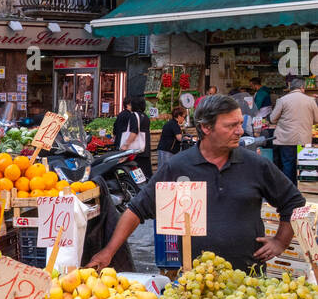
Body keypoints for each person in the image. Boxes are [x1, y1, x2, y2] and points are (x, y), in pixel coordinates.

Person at [89, 93, 303, 273]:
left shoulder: (256, 165)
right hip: (195, 279)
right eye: (231, 125)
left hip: (247, 275)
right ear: (206, 128)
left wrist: (281, 241)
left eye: (239, 123)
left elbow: (293, 202)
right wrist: (109, 251)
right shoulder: (178, 166)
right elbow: (136, 210)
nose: (239, 131)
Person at [270, 77, 318, 181]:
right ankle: (302, 190)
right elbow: (316, 119)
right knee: (303, 166)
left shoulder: (282, 100)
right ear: (302, 87)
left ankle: (289, 190)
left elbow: (272, 119)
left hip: (286, 139)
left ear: (291, 88)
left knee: (288, 165)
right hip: (304, 139)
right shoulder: (310, 101)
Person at [156, 104, 186, 175]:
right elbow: (179, 137)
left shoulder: (171, 123)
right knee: (164, 171)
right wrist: (187, 138)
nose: (183, 119)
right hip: (166, 150)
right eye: (183, 117)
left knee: (166, 170)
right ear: (178, 116)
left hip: (167, 150)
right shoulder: (174, 124)